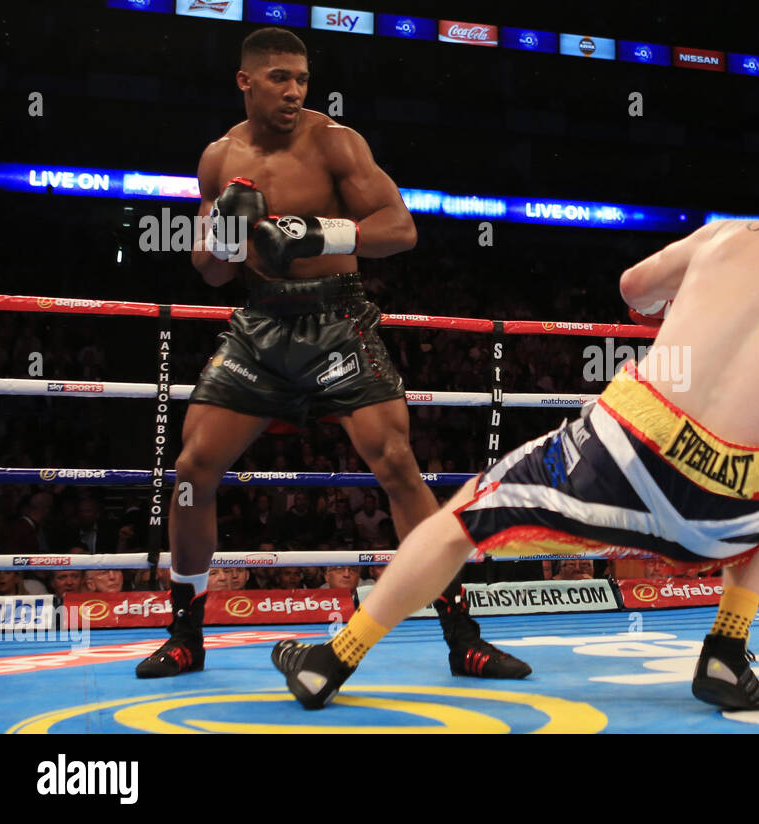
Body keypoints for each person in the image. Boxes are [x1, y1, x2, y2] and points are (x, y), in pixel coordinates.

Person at [272, 174, 759, 711]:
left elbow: (633, 288)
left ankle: (333, 658)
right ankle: (727, 653)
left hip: (623, 447)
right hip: (730, 508)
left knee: (460, 519)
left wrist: (672, 314)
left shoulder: (729, 236)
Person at [135, 27, 528, 681]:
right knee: (192, 470)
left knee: (399, 465)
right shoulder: (217, 157)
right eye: (280, 78)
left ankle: (464, 637)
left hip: (336, 320)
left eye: (302, 79)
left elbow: (400, 228)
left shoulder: (335, 143)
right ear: (246, 81)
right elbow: (208, 271)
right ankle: (185, 633)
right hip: (259, 325)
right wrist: (228, 235)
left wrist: (318, 230)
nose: (295, 91)